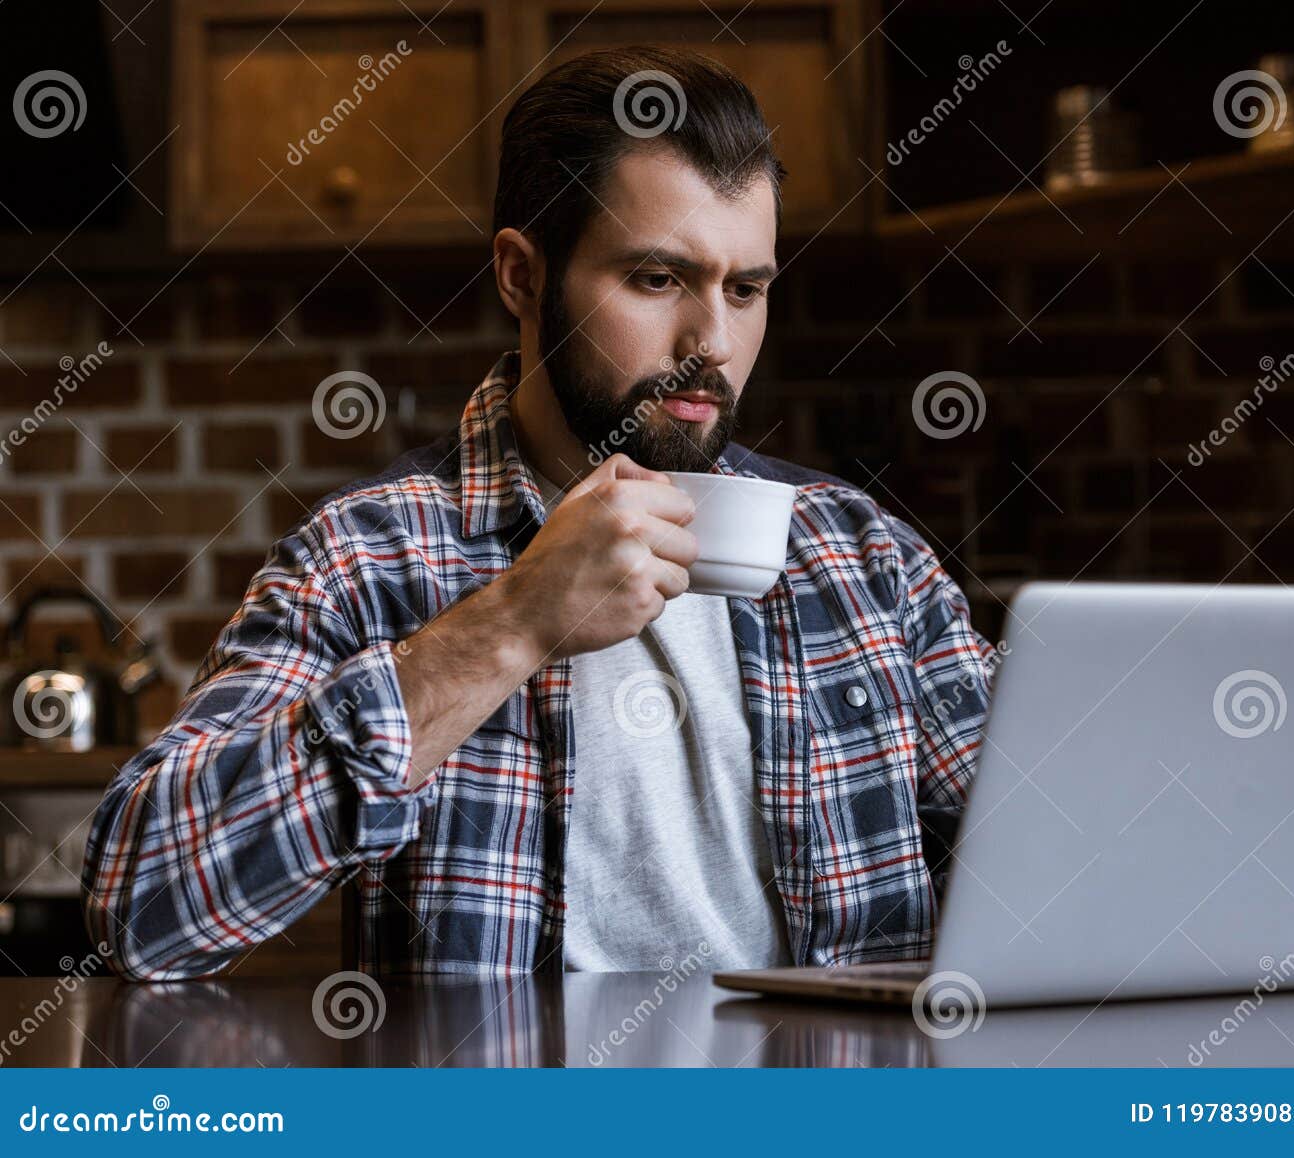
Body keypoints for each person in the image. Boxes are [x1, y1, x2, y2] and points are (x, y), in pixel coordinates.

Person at [81, 45, 996, 980]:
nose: (712, 343)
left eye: (745, 289)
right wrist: (513, 622)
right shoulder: (368, 558)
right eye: (656, 279)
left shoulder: (865, 558)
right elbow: (140, 911)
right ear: (522, 276)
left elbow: (1080, 854)